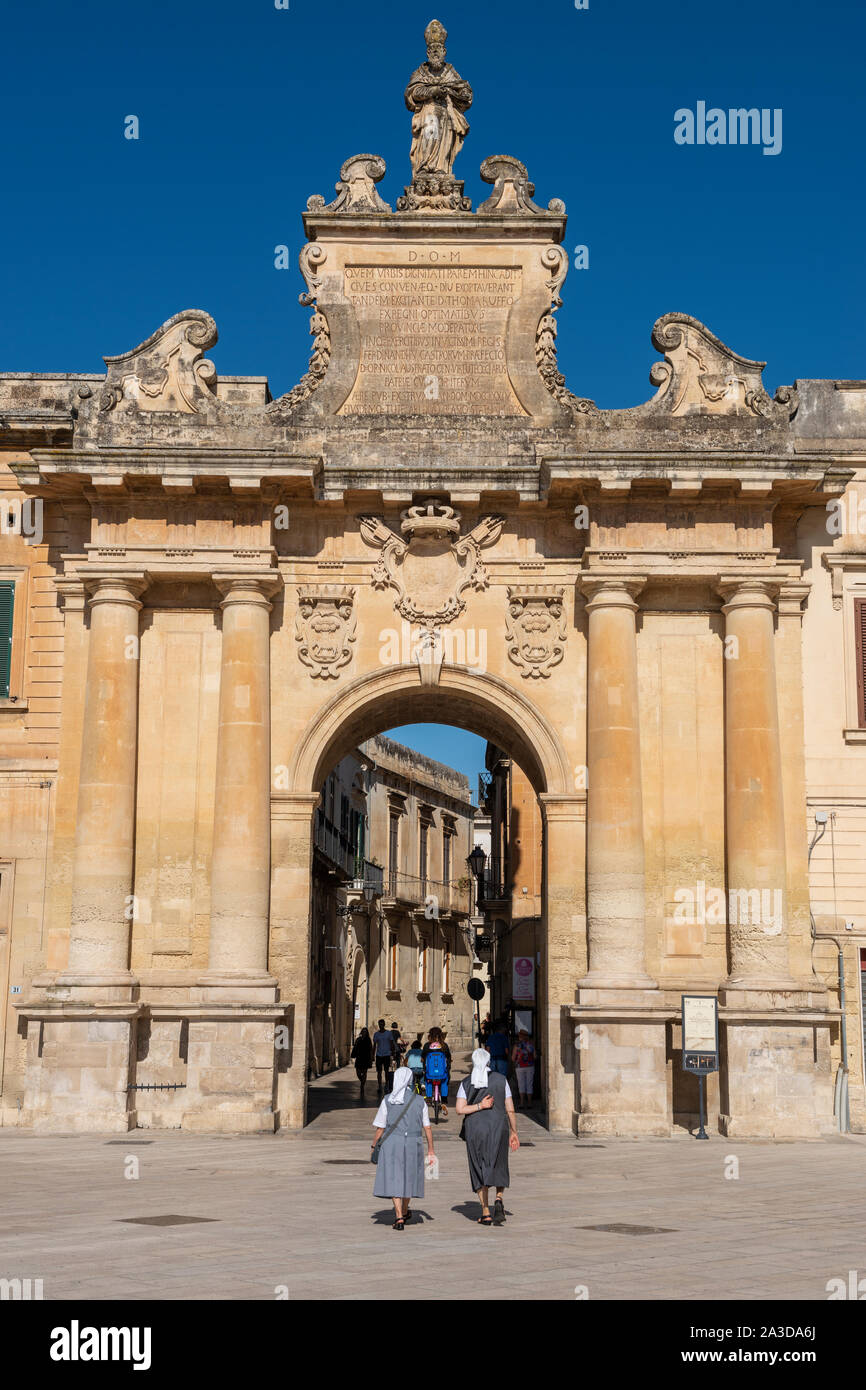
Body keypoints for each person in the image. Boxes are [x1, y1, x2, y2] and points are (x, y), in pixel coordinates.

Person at [455, 1047, 519, 1226]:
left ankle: (485, 1212)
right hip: (499, 1127)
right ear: (489, 1061)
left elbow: (460, 1109)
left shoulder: (466, 1083)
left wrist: (478, 1107)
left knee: (479, 1166)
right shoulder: (501, 1080)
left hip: (475, 1129)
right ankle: (498, 1198)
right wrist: (514, 1132)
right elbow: (510, 1109)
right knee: (499, 1162)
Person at [371, 1066, 435, 1230]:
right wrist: (431, 1149)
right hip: (414, 1142)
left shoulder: (387, 1100)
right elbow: (427, 1127)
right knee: (409, 1177)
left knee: (394, 1177)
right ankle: (405, 1209)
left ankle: (399, 1216)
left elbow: (380, 1127)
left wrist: (373, 1145)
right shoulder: (420, 1101)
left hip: (391, 1143)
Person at [422, 1026, 452, 1117]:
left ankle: (428, 1097)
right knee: (444, 1081)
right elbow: (449, 1057)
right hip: (442, 1073)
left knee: (428, 1080)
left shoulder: (427, 1046)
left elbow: (423, 1058)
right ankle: (443, 1101)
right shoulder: (444, 1045)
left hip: (430, 1072)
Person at [513, 1029, 536, 1108]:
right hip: (530, 1066)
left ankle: (522, 1103)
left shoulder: (517, 1045)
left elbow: (513, 1058)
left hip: (519, 1067)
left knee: (521, 1084)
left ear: (520, 1036)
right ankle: (530, 1103)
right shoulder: (531, 1044)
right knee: (529, 1084)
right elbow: (535, 1056)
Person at [372, 1018, 395, 1093]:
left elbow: (391, 1043)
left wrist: (392, 1052)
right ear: (378, 1025)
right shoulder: (376, 1034)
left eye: (382, 1024)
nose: (381, 1025)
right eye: (380, 1024)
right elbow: (374, 1045)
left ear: (384, 1024)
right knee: (379, 1072)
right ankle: (379, 1086)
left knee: (386, 1071)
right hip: (379, 1055)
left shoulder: (388, 1033)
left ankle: (386, 1085)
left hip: (387, 1055)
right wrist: (372, 1055)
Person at [351, 1027, 373, 1101]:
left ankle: (362, 1086)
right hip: (359, 1058)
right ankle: (362, 1081)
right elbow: (355, 1047)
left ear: (367, 1033)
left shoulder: (368, 1040)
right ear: (361, 1032)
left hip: (365, 1058)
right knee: (358, 1072)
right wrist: (353, 1054)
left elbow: (370, 1049)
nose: (364, 1033)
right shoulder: (358, 1039)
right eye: (363, 1031)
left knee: (364, 1072)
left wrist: (371, 1058)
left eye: (365, 1031)